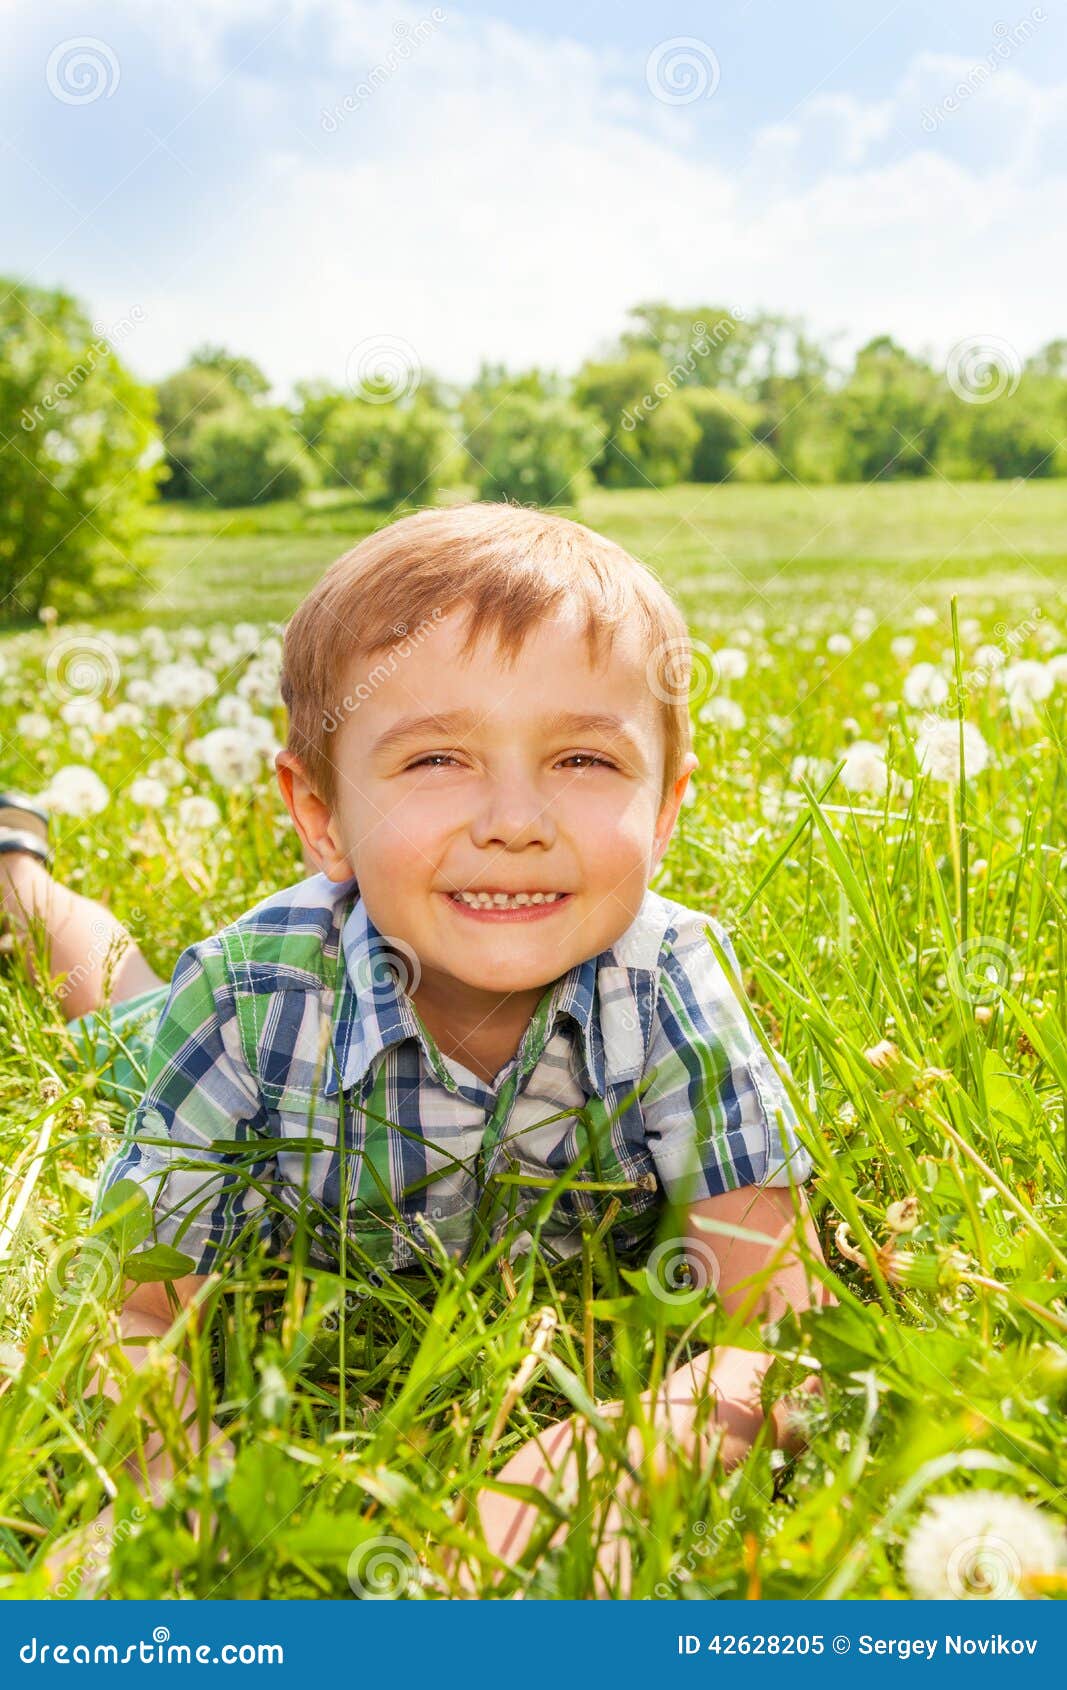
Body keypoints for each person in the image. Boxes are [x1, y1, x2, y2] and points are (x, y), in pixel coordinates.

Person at [29, 502, 831, 1591]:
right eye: (438, 758)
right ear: (320, 814)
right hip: (213, 1035)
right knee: (118, 1004)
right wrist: (178, 1477)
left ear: (664, 812)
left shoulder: (672, 981)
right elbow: (133, 1312)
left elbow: (788, 1336)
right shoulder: (245, 1002)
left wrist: (634, 1450)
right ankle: (25, 880)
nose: (514, 819)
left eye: (583, 758)